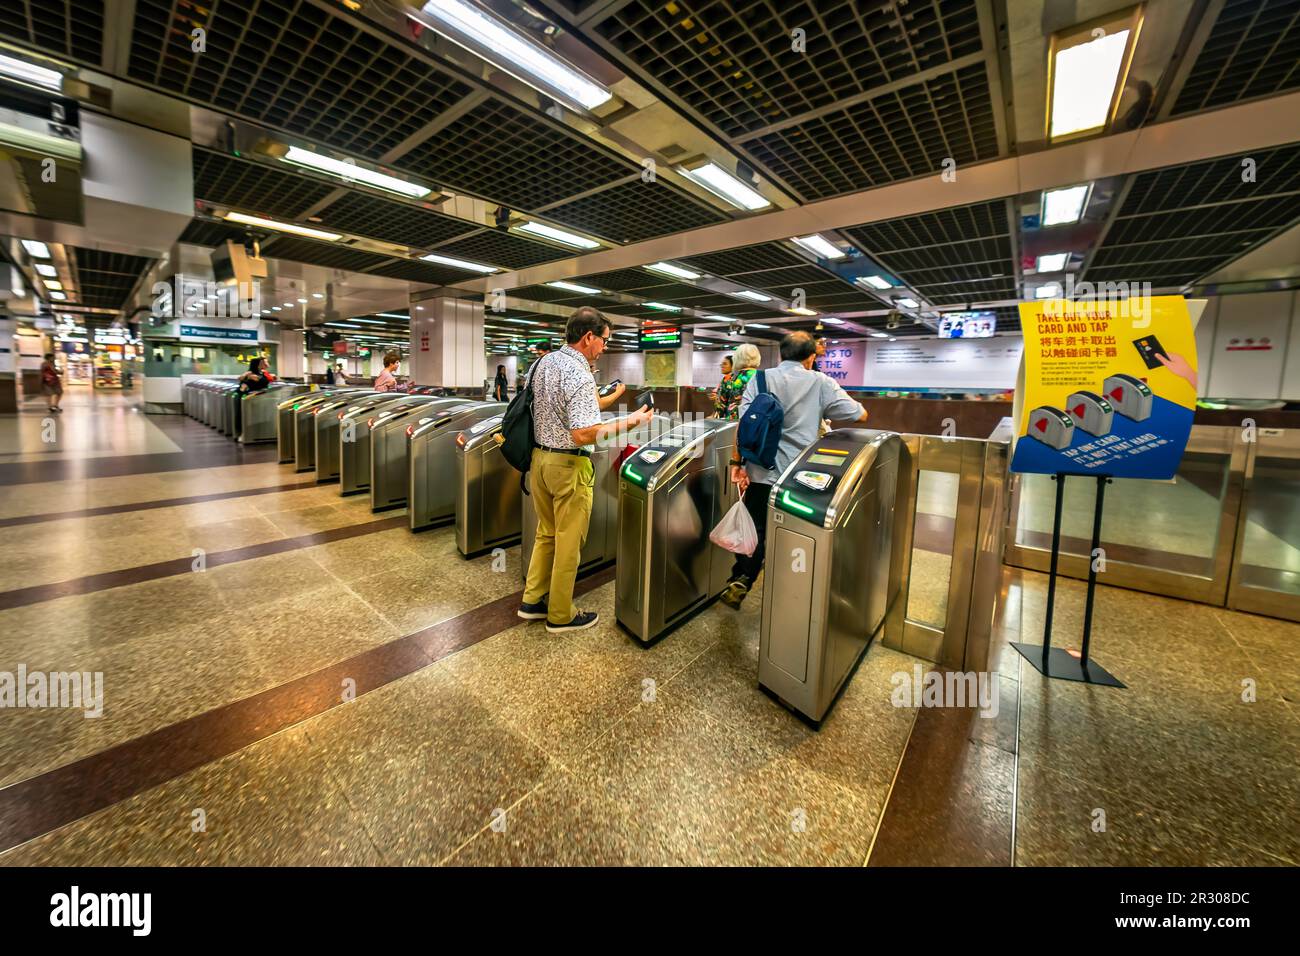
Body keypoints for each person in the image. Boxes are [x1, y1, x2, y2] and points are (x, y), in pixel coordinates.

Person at [519, 306, 652, 632]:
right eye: (604, 340)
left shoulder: (543, 363)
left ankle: (533, 600)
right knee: (568, 541)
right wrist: (633, 420)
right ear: (588, 336)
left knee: (547, 533)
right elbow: (584, 432)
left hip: (539, 462)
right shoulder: (578, 373)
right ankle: (560, 615)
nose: (605, 347)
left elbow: (568, 407)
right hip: (569, 466)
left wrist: (608, 399)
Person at [720, 331, 868, 609]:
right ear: (811, 357)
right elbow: (859, 414)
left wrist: (737, 464)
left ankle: (742, 576)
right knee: (796, 533)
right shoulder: (821, 382)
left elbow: (743, 425)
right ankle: (791, 593)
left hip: (762, 471)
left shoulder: (760, 379)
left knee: (755, 529)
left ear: (781, 354)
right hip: (800, 477)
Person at [715, 344, 759, 420]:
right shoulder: (763, 376)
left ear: (737, 359)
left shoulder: (729, 378)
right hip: (757, 423)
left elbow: (720, 408)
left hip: (734, 424)